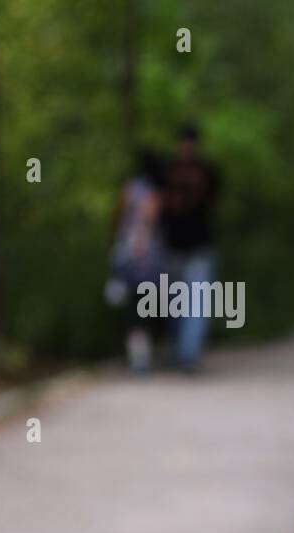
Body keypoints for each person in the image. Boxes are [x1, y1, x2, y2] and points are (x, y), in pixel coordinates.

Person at [160, 124, 221, 372]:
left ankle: (188, 356)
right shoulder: (166, 170)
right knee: (173, 305)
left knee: (196, 303)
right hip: (172, 247)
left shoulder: (208, 171)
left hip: (200, 247)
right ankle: (179, 351)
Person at [107, 150, 163, 373]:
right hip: (145, 259)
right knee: (144, 309)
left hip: (127, 254)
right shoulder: (153, 192)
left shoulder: (130, 188)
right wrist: (139, 243)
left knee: (135, 308)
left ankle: (138, 356)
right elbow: (147, 221)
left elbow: (118, 217)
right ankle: (141, 357)